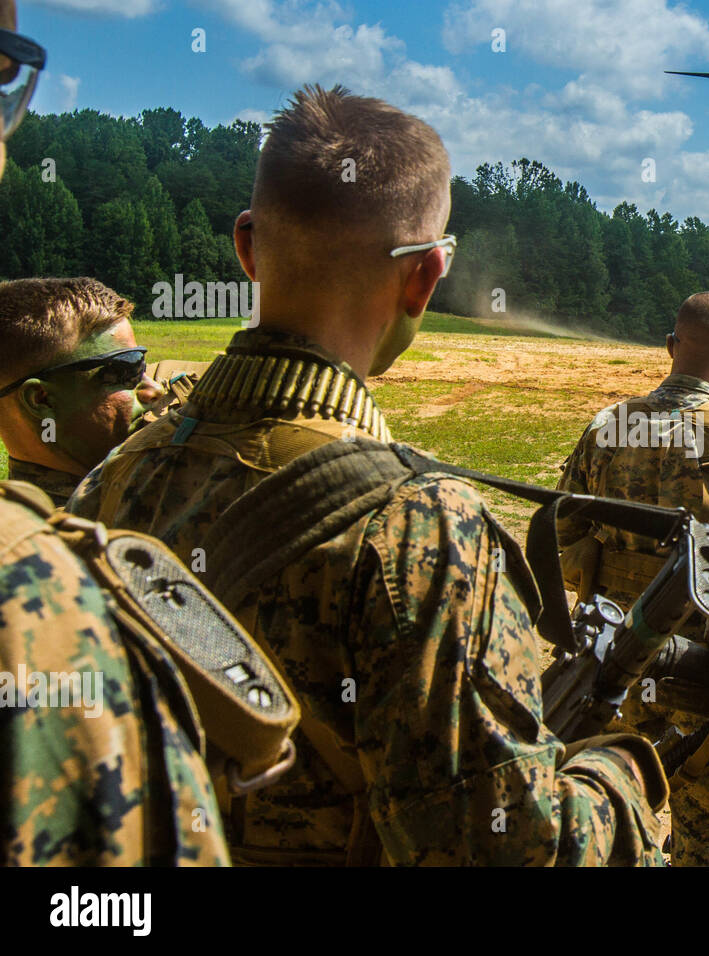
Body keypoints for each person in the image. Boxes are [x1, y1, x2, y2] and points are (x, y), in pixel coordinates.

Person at [68, 84, 667, 867]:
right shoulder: (419, 525)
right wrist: (622, 779)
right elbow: (507, 847)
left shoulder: (111, 477)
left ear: (247, 246)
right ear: (424, 278)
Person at [1, 0, 229, 866]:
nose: (145, 393)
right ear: (33, 404)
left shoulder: (110, 473)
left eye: (148, 368)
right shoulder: (55, 561)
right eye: (119, 378)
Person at [556, 290, 709, 865]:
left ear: (669, 346)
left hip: (611, 646)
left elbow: (564, 526)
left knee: (600, 790)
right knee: (702, 803)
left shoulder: (608, 426)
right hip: (706, 659)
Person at [0, 278, 164, 507]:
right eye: (125, 370)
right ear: (41, 399)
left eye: (142, 365)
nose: (154, 389)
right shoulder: (57, 538)